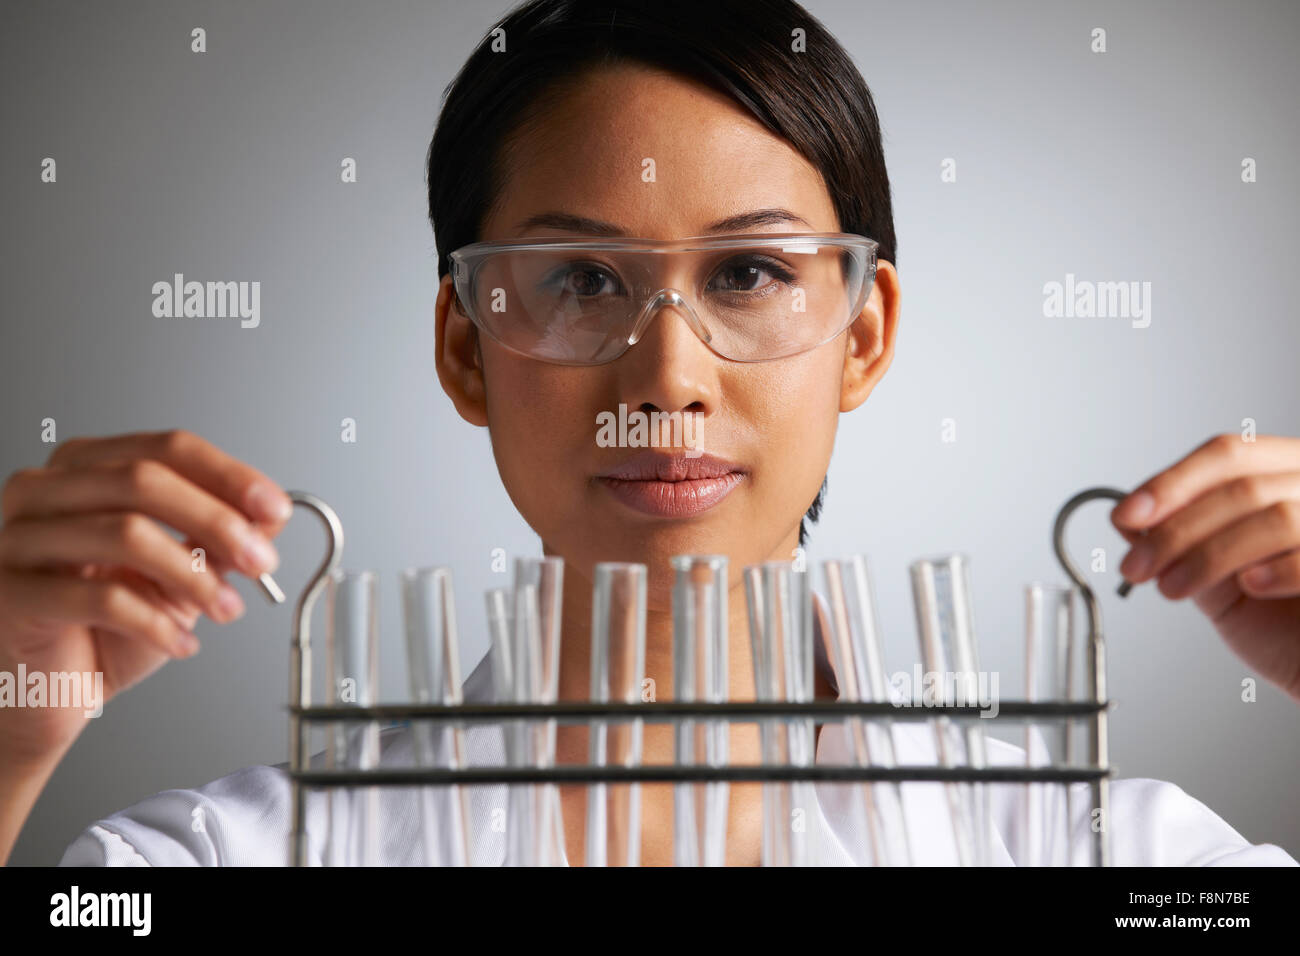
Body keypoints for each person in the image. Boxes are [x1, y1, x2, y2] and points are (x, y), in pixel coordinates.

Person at [2, 0, 1298, 867]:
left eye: (748, 276)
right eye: (579, 281)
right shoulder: (220, 864)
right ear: (466, 344)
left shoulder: (1121, 865)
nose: (666, 377)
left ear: (860, 336)